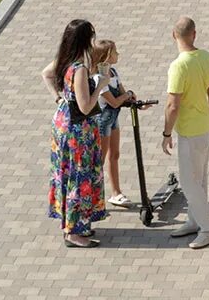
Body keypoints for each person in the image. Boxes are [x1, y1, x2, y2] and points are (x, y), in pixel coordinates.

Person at [42, 18, 104, 248]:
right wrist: (100, 85)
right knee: (79, 176)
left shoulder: (64, 59)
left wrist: (58, 97)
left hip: (62, 123)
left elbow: (46, 74)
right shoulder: (79, 68)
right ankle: (74, 232)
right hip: (78, 130)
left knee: (66, 174)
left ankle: (76, 223)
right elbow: (86, 106)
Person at [162, 17, 209, 250]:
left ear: (173, 35)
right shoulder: (207, 57)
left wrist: (166, 133)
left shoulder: (178, 66)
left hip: (189, 130)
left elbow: (172, 105)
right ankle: (195, 220)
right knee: (200, 178)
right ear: (194, 34)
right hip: (205, 126)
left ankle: (208, 229)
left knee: (188, 181)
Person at [89, 39, 136, 214]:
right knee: (99, 160)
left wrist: (132, 98)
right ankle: (94, 199)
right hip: (103, 121)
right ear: (106, 56)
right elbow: (115, 102)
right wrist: (127, 96)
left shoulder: (114, 72)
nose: (118, 54)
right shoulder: (99, 78)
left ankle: (116, 192)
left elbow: (123, 93)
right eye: (115, 51)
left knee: (115, 154)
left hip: (113, 120)